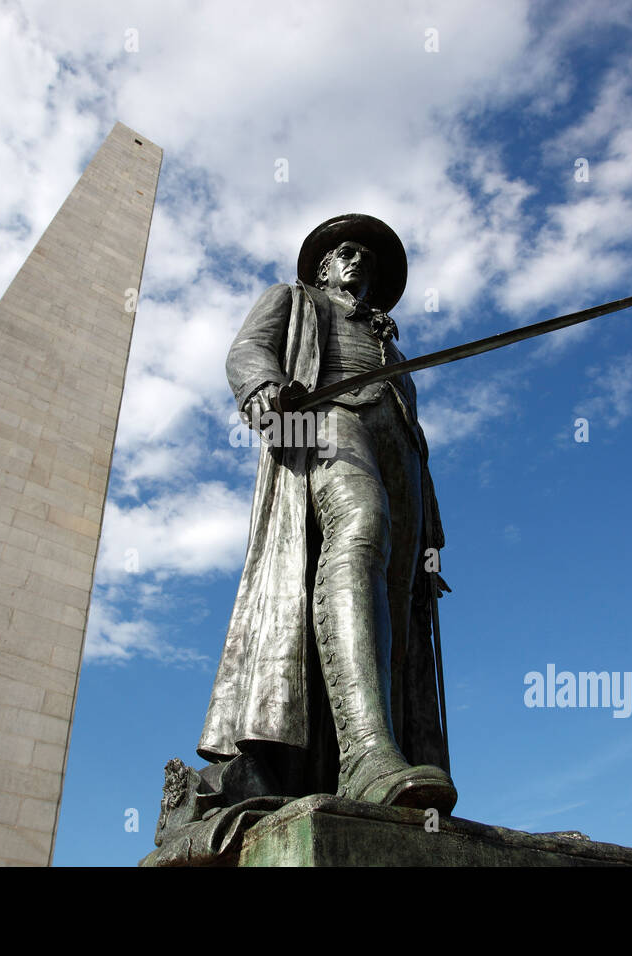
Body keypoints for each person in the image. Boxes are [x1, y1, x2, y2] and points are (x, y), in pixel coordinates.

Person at [197, 213, 456, 814]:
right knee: (359, 528)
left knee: (396, 595)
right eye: (346, 251)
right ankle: (365, 752)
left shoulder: (391, 345)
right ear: (324, 265)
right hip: (326, 416)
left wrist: (433, 538)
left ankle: (383, 749)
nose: (358, 260)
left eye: (368, 256)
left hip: (396, 445)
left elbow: (418, 438)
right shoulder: (293, 298)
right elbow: (248, 351)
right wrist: (263, 391)